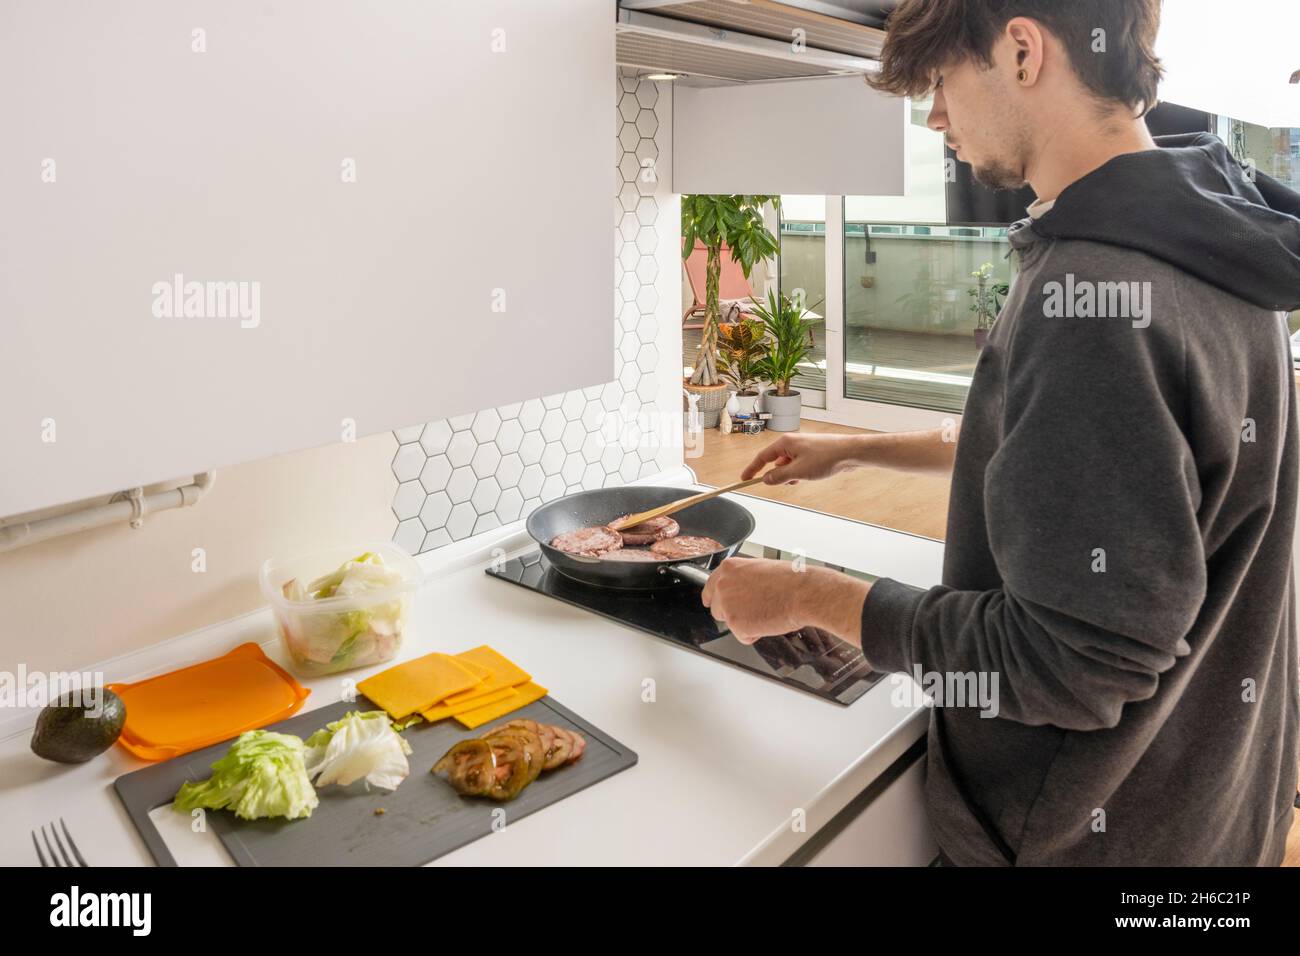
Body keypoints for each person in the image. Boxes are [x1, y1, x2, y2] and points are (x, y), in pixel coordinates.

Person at [701, 0, 1300, 865]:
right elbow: (1077, 458)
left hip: (1098, 834)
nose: (933, 114)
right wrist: (857, 447)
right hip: (1214, 802)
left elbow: (1071, 664)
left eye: (941, 80)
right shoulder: (1211, 227)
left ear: (1022, 51)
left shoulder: (1094, 292)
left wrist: (804, 594)